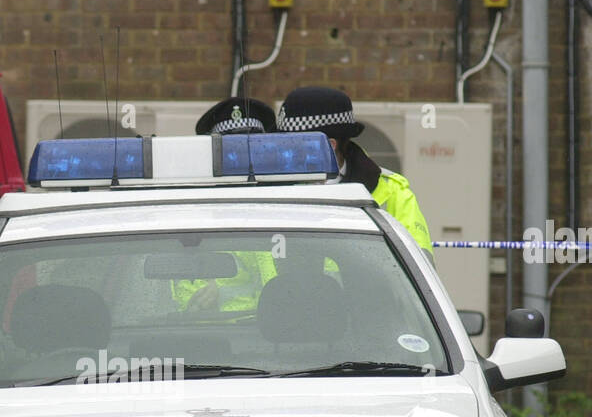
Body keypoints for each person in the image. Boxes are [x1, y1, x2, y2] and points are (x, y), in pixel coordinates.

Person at [277, 86, 434, 258]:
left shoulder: (394, 193)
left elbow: (419, 266)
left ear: (328, 146)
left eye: (293, 144)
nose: (285, 151)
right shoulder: (268, 191)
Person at [172, 97, 281, 312]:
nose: (242, 158)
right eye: (231, 149)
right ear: (214, 154)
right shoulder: (193, 215)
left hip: (282, 335)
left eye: (251, 148)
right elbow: (187, 294)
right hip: (219, 334)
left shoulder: (285, 206)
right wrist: (221, 291)